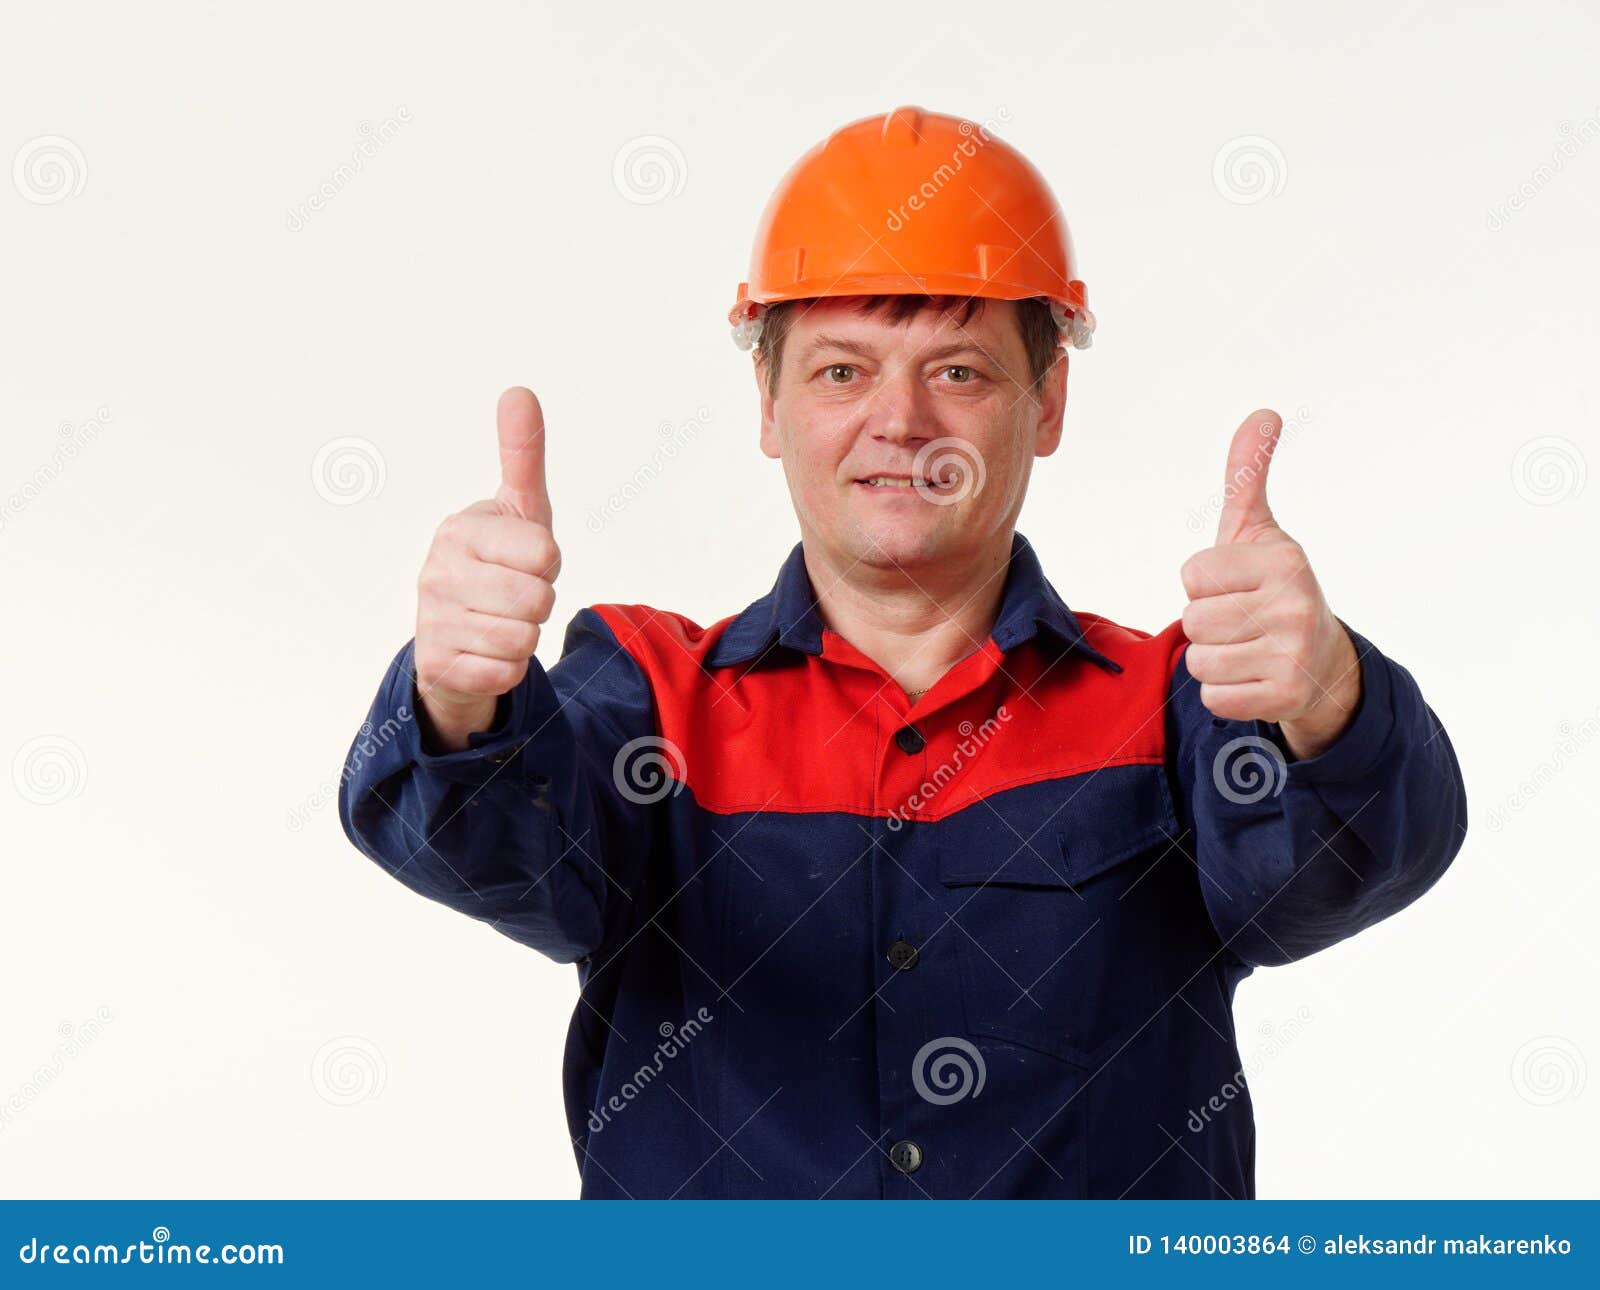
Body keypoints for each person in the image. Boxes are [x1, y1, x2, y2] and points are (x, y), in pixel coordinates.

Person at [338, 106, 1467, 1198]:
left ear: (1049, 398)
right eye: (840, 370)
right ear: (768, 405)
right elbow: (506, 859)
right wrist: (456, 702)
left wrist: (1328, 704)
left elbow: (1327, 883)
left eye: (959, 370)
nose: (901, 421)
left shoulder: (1174, 705)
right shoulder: (647, 701)